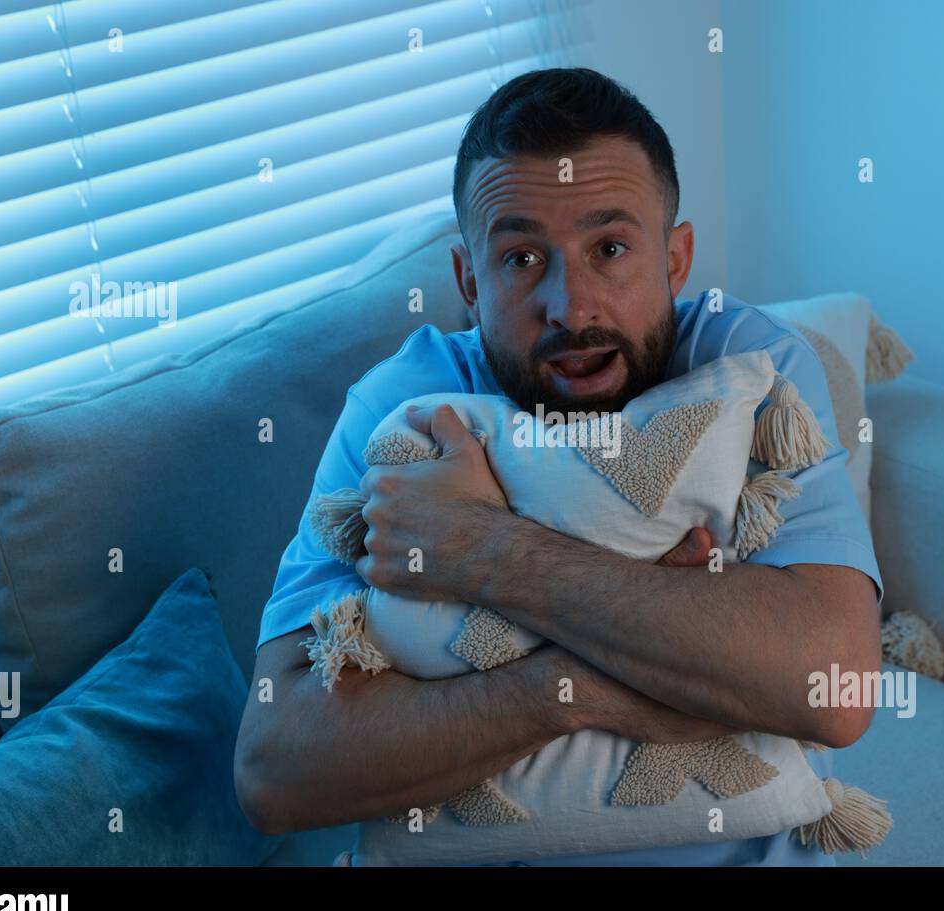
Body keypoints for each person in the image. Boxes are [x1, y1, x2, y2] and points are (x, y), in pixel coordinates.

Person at [235, 67, 884, 866]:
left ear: (676, 260)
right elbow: (274, 769)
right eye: (521, 259)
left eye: (610, 248)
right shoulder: (400, 408)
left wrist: (483, 549)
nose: (572, 307)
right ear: (469, 280)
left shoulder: (754, 369)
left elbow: (838, 688)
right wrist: (580, 688)